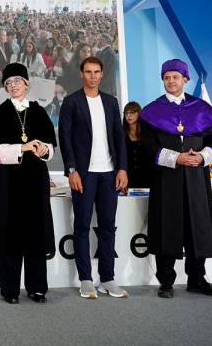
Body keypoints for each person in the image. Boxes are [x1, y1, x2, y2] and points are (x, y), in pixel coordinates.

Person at [139, 59, 212, 298]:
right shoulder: (151, 111)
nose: (171, 81)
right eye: (166, 78)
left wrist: (202, 157)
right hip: (167, 178)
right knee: (167, 227)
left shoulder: (202, 109)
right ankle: (166, 282)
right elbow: (148, 146)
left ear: (185, 79)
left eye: (175, 77)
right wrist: (177, 158)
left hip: (196, 177)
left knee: (198, 227)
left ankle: (197, 279)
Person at [0, 63, 56, 304]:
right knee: (10, 233)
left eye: (17, 81)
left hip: (35, 180)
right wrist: (23, 147)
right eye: (8, 83)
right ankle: (10, 289)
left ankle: (37, 288)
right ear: (5, 87)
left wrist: (44, 149)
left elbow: (51, 148)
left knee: (36, 232)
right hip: (10, 181)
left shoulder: (39, 111)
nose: (13, 86)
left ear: (26, 83)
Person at [59, 57, 128, 299]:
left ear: (101, 74)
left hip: (109, 174)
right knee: (82, 226)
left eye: (96, 72)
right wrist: (72, 170)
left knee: (108, 226)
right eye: (88, 72)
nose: (93, 76)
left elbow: (119, 137)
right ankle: (86, 280)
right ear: (81, 74)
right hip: (84, 174)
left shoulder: (111, 102)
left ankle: (107, 279)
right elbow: (65, 139)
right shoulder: (71, 102)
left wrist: (122, 169)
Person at [123, 101, 152, 189]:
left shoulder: (148, 134)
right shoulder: (121, 135)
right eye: (126, 113)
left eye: (132, 112)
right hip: (128, 178)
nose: (128, 116)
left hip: (148, 177)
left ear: (139, 113)